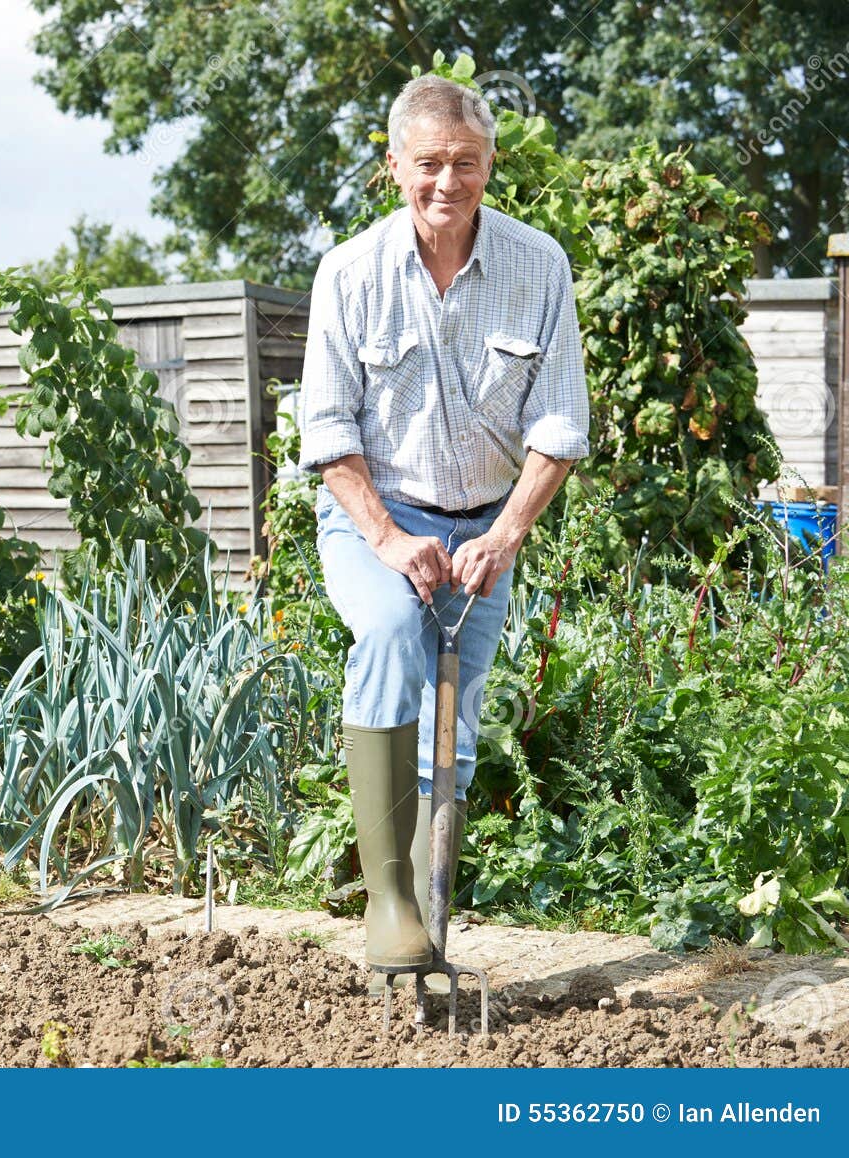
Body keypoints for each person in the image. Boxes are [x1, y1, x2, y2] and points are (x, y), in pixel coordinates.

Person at [297, 74, 590, 994]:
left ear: (488, 165)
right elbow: (328, 432)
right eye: (429, 164)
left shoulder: (538, 265)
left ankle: (426, 922)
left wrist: (504, 535)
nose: (446, 182)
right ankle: (389, 907)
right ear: (394, 167)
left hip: (483, 531)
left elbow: (561, 425)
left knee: (453, 726)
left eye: (466, 163)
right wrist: (387, 539)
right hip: (373, 518)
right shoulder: (349, 273)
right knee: (387, 635)